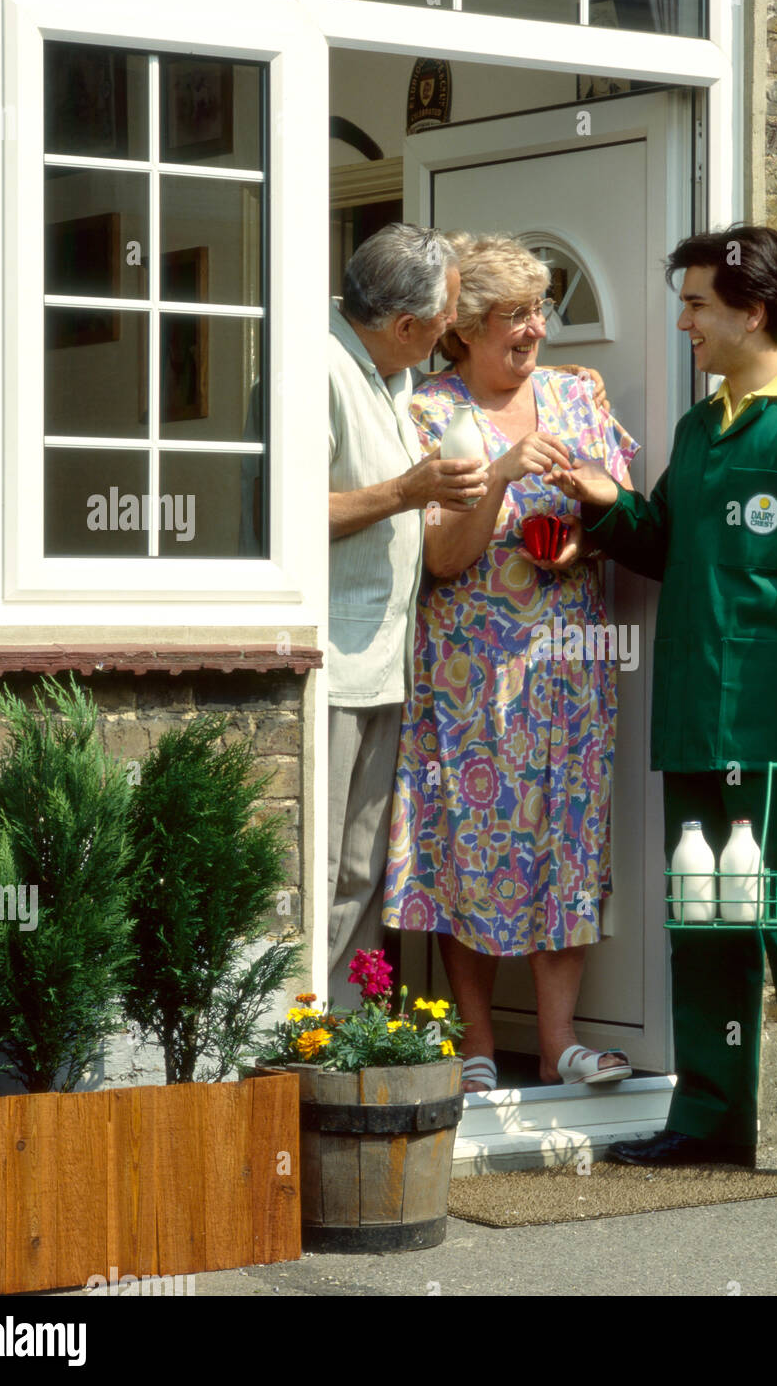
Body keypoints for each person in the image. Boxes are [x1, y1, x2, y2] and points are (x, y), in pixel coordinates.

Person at [550, 224, 777, 1197]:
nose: (682, 320)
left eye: (696, 303)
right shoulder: (705, 429)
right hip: (696, 720)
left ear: (752, 310)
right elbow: (667, 544)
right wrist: (606, 502)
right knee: (704, 922)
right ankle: (708, 1118)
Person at [381, 233, 637, 1094]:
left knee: (567, 838)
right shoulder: (428, 414)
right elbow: (443, 559)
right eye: (512, 316)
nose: (533, 330)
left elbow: (626, 518)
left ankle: (560, 1042)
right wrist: (496, 475)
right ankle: (479, 1045)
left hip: (569, 668)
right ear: (465, 330)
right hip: (468, 678)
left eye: (539, 311)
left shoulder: (576, 397)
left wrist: (586, 532)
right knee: (469, 844)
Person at [326, 225, 487, 1001]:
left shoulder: (390, 375)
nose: (451, 330)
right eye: (446, 316)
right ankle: (299, 1037)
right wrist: (408, 491)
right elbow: (289, 518)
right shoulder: (320, 369)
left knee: (361, 869)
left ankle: (344, 1035)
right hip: (328, 666)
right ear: (404, 327)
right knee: (319, 865)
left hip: (385, 662)